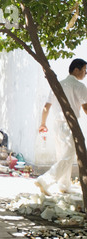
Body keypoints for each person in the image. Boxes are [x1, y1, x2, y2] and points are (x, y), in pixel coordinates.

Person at [35, 58, 87, 195]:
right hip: (71, 125)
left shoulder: (58, 85)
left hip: (57, 125)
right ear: (76, 70)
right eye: (84, 70)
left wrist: (43, 123)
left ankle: (64, 185)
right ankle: (45, 180)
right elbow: (86, 108)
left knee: (63, 155)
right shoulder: (80, 87)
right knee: (68, 156)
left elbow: (46, 106)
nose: (85, 73)